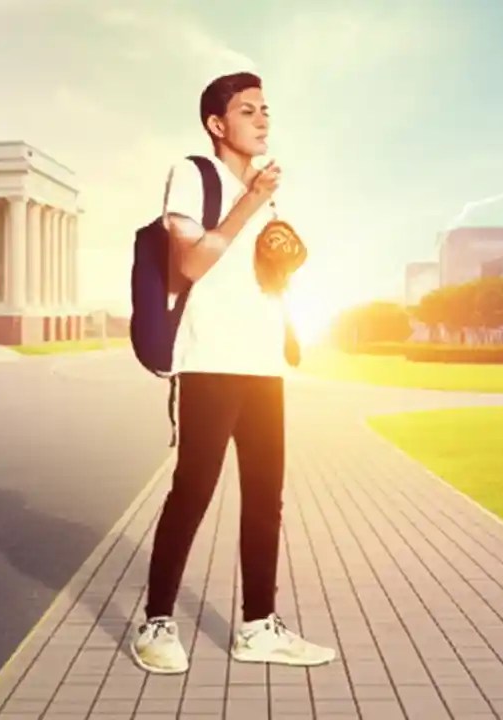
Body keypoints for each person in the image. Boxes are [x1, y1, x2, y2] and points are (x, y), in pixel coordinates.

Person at [129, 71, 336, 674]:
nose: (263, 119)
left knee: (265, 499)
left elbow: (258, 281)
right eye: (249, 110)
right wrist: (249, 200)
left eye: (266, 108)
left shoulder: (267, 195)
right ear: (219, 124)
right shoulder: (194, 175)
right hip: (210, 362)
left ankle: (257, 627)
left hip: (262, 365)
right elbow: (191, 262)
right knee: (192, 492)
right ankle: (158, 623)